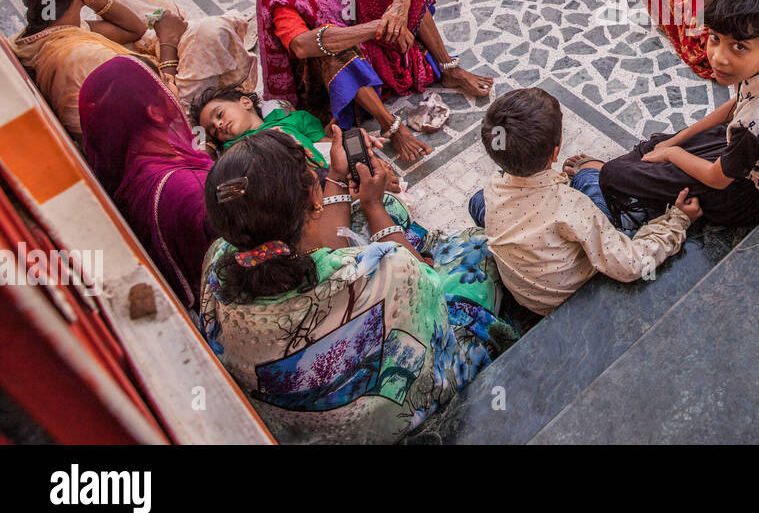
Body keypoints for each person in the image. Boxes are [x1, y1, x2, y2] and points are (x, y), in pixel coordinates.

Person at [198, 128, 517, 443]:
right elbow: (423, 278)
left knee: (385, 210)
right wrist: (374, 207)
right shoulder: (388, 269)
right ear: (312, 195)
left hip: (310, 431)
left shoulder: (218, 263)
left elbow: (324, 257)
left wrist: (337, 176)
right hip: (395, 415)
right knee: (475, 248)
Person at [256, 0, 491, 165]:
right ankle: (390, 125)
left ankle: (449, 69)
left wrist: (398, 10)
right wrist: (377, 27)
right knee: (331, 46)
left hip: (358, 38)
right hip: (326, 77)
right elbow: (301, 44)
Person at [595, 0, 759, 228]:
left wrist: (672, 153)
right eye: (715, 38)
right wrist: (674, 141)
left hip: (745, 195)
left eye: (739, 46)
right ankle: (651, 161)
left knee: (613, 175)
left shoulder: (758, 124)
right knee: (657, 144)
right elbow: (737, 106)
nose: (718, 57)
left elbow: (717, 179)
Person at [467, 88, 700, 316]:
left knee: (477, 201)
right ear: (555, 152)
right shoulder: (571, 205)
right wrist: (677, 222)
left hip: (531, 299)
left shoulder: (493, 188)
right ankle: (590, 171)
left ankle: (585, 174)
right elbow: (630, 264)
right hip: (572, 300)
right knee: (587, 178)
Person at [10, 0, 255, 137]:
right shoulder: (87, 56)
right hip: (165, 123)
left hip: (140, 92)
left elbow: (133, 30)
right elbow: (167, 107)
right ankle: (183, 34)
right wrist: (168, 43)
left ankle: (178, 32)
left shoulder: (44, 32)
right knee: (212, 32)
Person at [78, 56, 215, 309]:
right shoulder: (192, 188)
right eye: (164, 82)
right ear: (154, 111)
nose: (173, 87)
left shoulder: (133, 175)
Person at [192, 84, 328, 167]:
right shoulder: (233, 150)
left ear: (246, 103)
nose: (218, 125)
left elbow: (326, 144)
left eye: (220, 114)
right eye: (214, 132)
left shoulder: (290, 119)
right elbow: (201, 154)